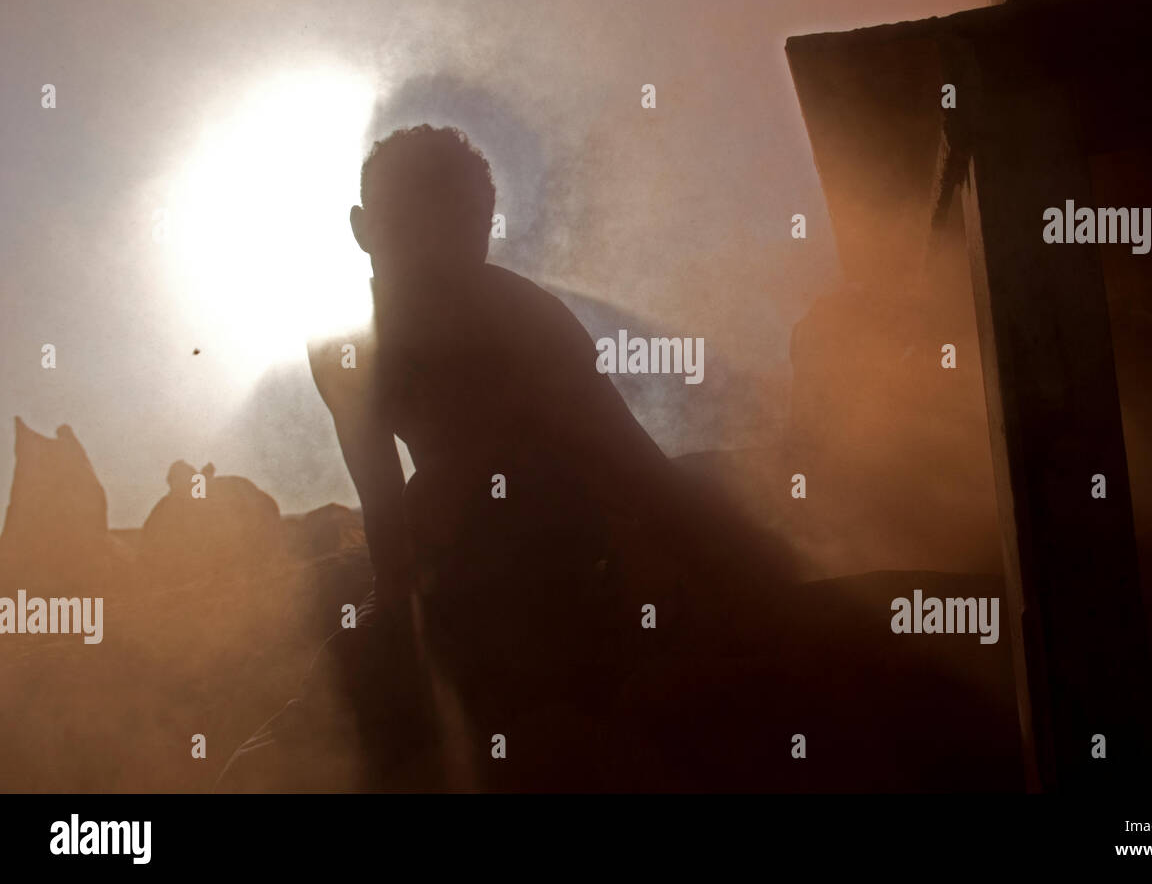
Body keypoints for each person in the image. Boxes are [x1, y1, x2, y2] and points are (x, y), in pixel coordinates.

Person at [217, 124, 791, 792]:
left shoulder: (526, 319)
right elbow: (382, 505)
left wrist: (698, 567)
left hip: (576, 541)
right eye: (413, 229)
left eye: (461, 231)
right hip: (463, 555)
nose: (438, 258)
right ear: (363, 229)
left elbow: (633, 467)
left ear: (485, 231)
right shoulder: (342, 349)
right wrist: (393, 619)